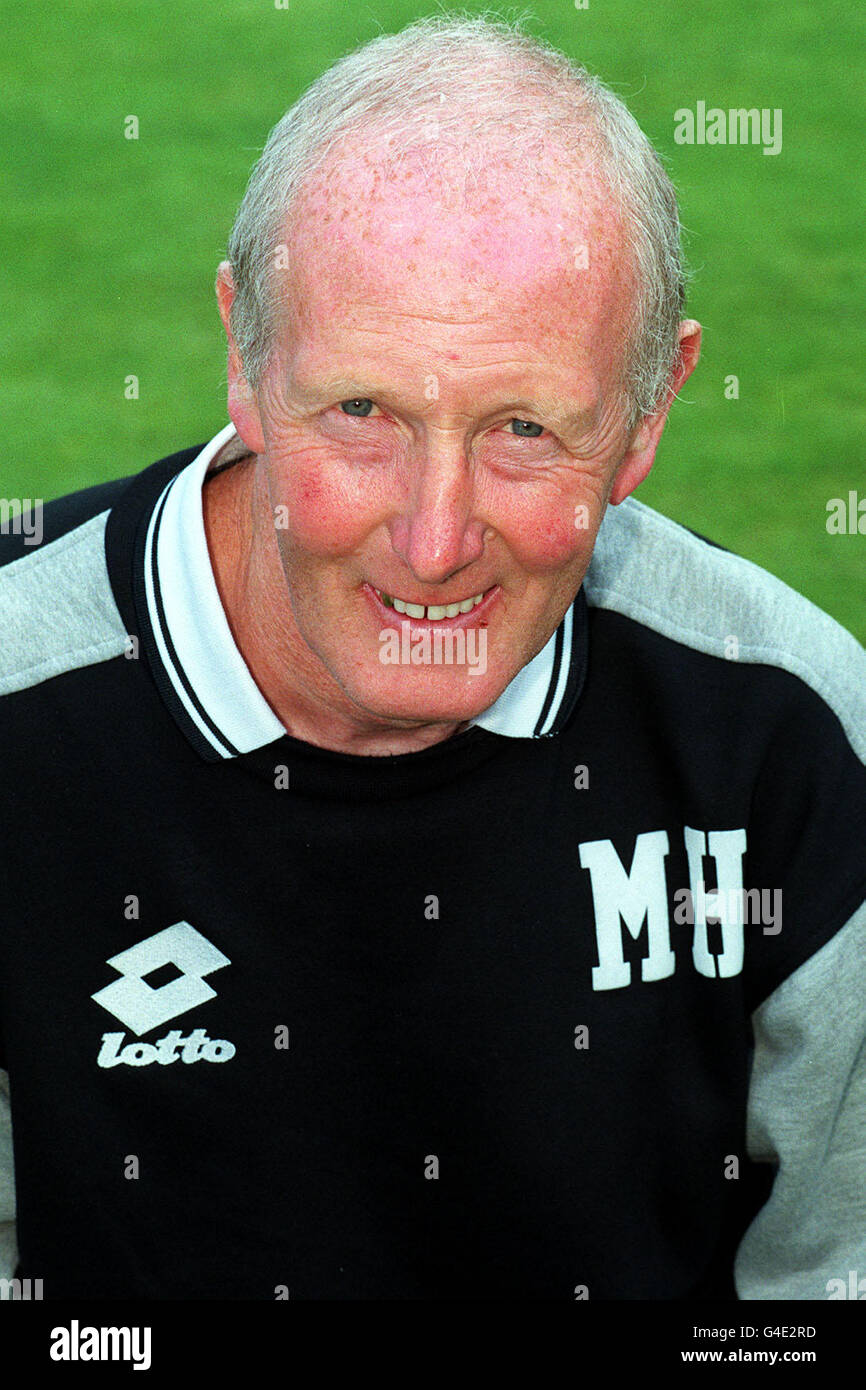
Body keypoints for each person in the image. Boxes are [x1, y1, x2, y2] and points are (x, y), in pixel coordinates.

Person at [0, 14, 864, 1301]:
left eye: (523, 428)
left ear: (647, 413)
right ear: (242, 352)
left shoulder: (789, 731)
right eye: (362, 412)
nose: (435, 538)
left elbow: (825, 1284)